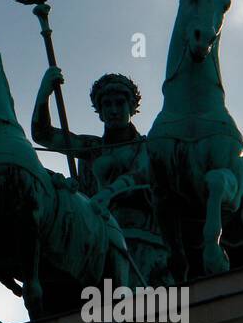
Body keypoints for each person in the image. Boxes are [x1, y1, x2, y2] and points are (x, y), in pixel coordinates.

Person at [31, 68, 174, 286]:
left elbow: (146, 180)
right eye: (107, 105)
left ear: (132, 107)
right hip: (103, 241)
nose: (114, 110)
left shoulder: (148, 148)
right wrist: (45, 91)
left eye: (119, 103)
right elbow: (42, 134)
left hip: (147, 241)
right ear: (99, 111)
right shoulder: (92, 149)